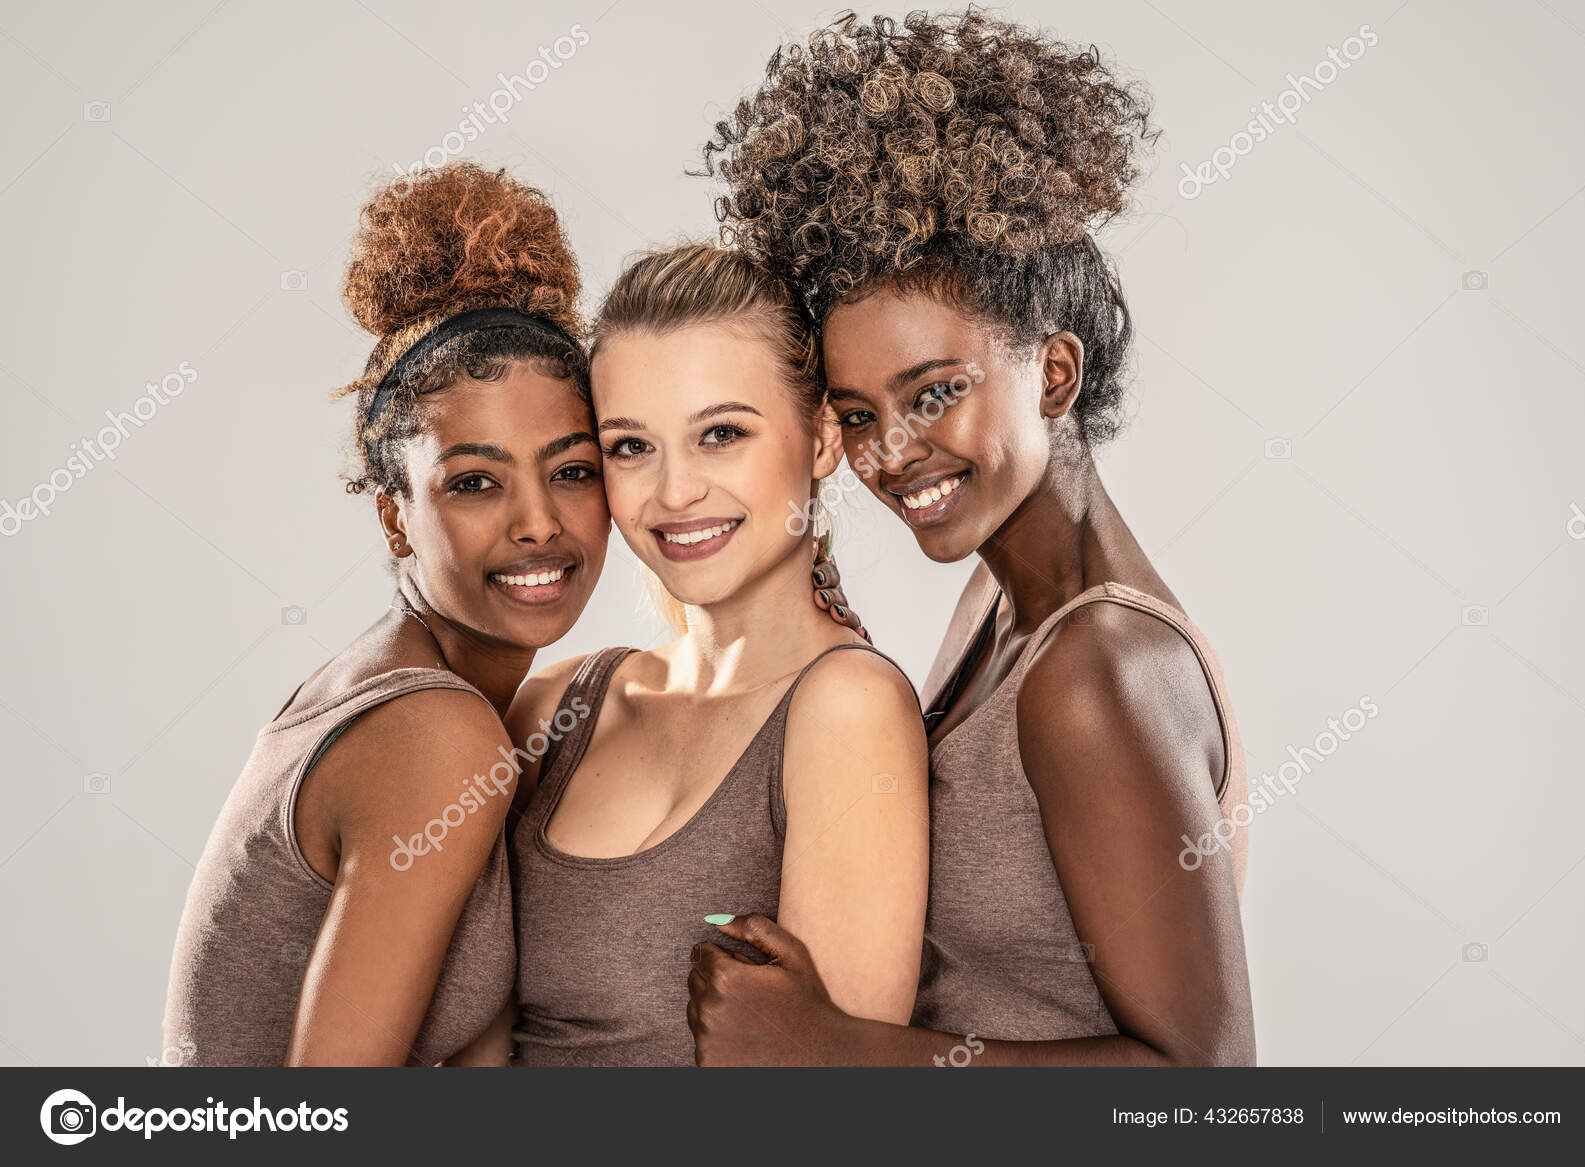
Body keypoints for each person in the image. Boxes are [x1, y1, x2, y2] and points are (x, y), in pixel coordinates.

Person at [686, 9, 1255, 1066]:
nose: (890, 451)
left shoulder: (1098, 670)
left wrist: (833, 1052)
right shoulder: (1002, 607)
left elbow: (1205, 1089)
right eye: (856, 413)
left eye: (933, 392)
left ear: (1052, 373)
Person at [163, 162, 609, 1065]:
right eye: (475, 482)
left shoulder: (392, 687)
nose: (539, 523)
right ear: (392, 512)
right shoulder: (435, 735)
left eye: (572, 469)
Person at [503, 243, 929, 1066]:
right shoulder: (555, 706)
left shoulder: (848, 709)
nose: (674, 491)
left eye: (721, 433)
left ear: (821, 440)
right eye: (631, 446)